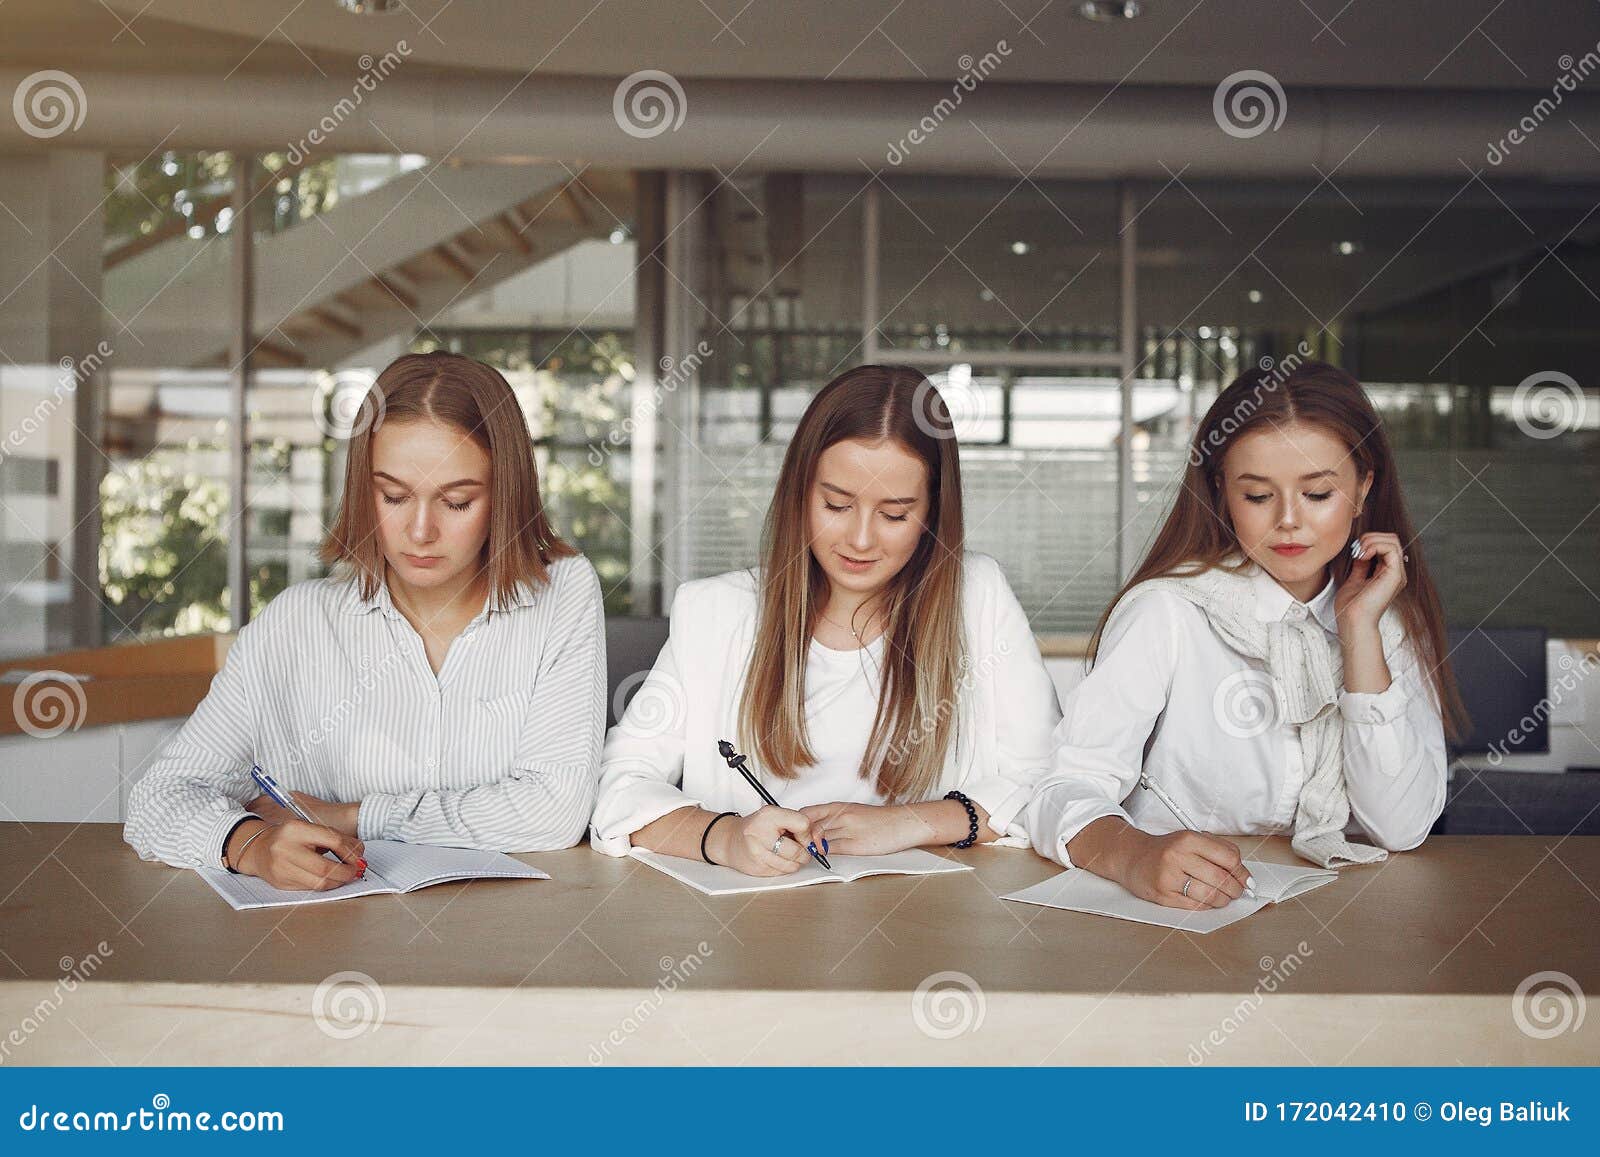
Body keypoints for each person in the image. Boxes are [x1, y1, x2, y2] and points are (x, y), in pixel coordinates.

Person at [124, 351, 605, 889]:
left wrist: (352, 816)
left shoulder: (561, 593)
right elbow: (158, 799)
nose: (420, 531)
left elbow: (556, 812)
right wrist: (249, 845)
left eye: (457, 502)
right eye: (394, 496)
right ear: (362, 488)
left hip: (505, 946)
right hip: (330, 939)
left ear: (504, 495)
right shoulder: (298, 623)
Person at [591, 364, 1062, 875]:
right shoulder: (713, 612)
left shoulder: (978, 597)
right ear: (801, 494)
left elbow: (1054, 784)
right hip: (755, 930)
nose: (860, 540)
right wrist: (726, 838)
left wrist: (908, 824)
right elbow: (619, 786)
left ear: (932, 515)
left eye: (895, 515)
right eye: (837, 505)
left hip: (932, 924)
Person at [1027, 360, 1464, 910]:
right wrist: (1133, 853)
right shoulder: (1168, 612)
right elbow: (1059, 792)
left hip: (1346, 921)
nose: (1288, 521)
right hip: (1177, 920)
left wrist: (1358, 632)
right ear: (1222, 492)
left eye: (1318, 494)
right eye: (1258, 496)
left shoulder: (1385, 620)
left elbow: (1400, 829)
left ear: (1363, 487)